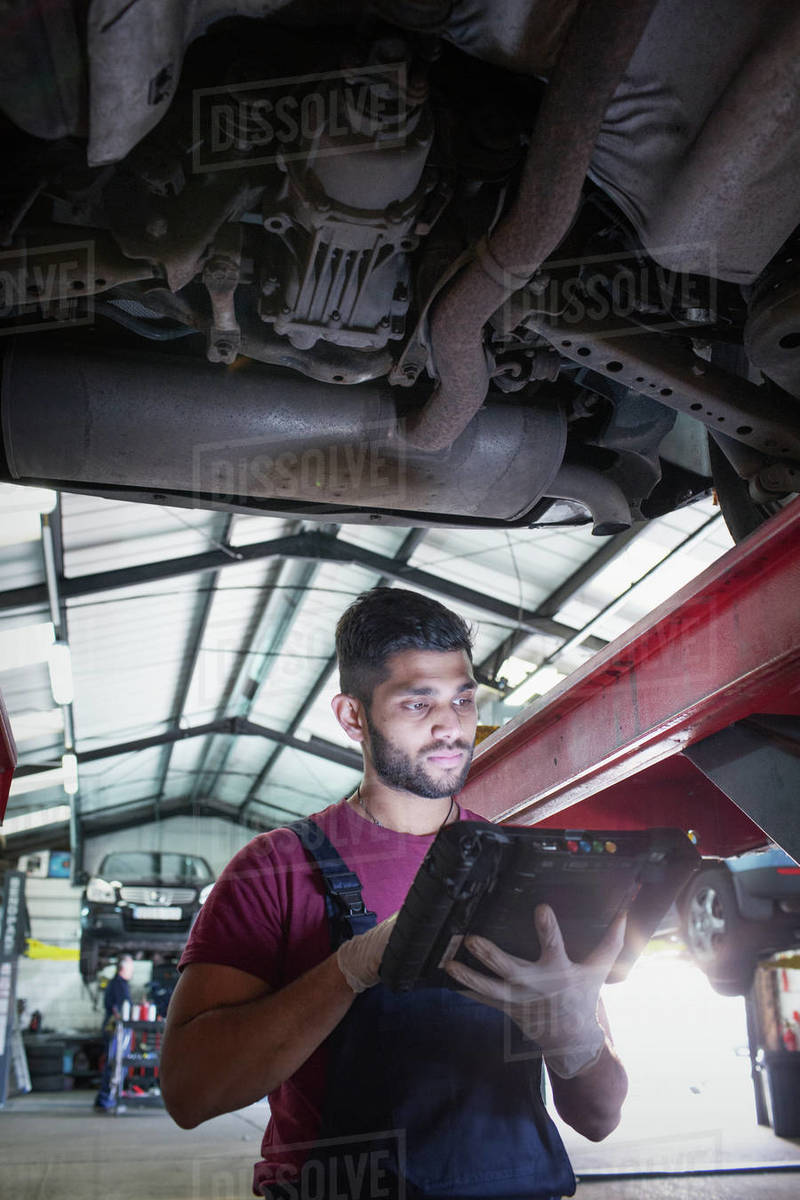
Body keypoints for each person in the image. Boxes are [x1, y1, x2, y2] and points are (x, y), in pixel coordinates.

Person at [161, 587, 628, 1198]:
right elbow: (191, 1092)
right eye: (417, 703)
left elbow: (600, 1119)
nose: (450, 725)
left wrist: (574, 1039)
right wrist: (348, 970)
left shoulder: (530, 866)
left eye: (463, 699)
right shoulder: (276, 870)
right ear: (353, 717)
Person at [94, 953, 134, 1112]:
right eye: (131, 967)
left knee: (114, 1063)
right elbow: (118, 1009)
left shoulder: (120, 983)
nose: (132, 971)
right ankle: (106, 1099)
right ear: (123, 967)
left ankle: (104, 1098)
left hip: (116, 1028)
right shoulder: (118, 985)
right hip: (116, 1029)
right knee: (114, 1064)